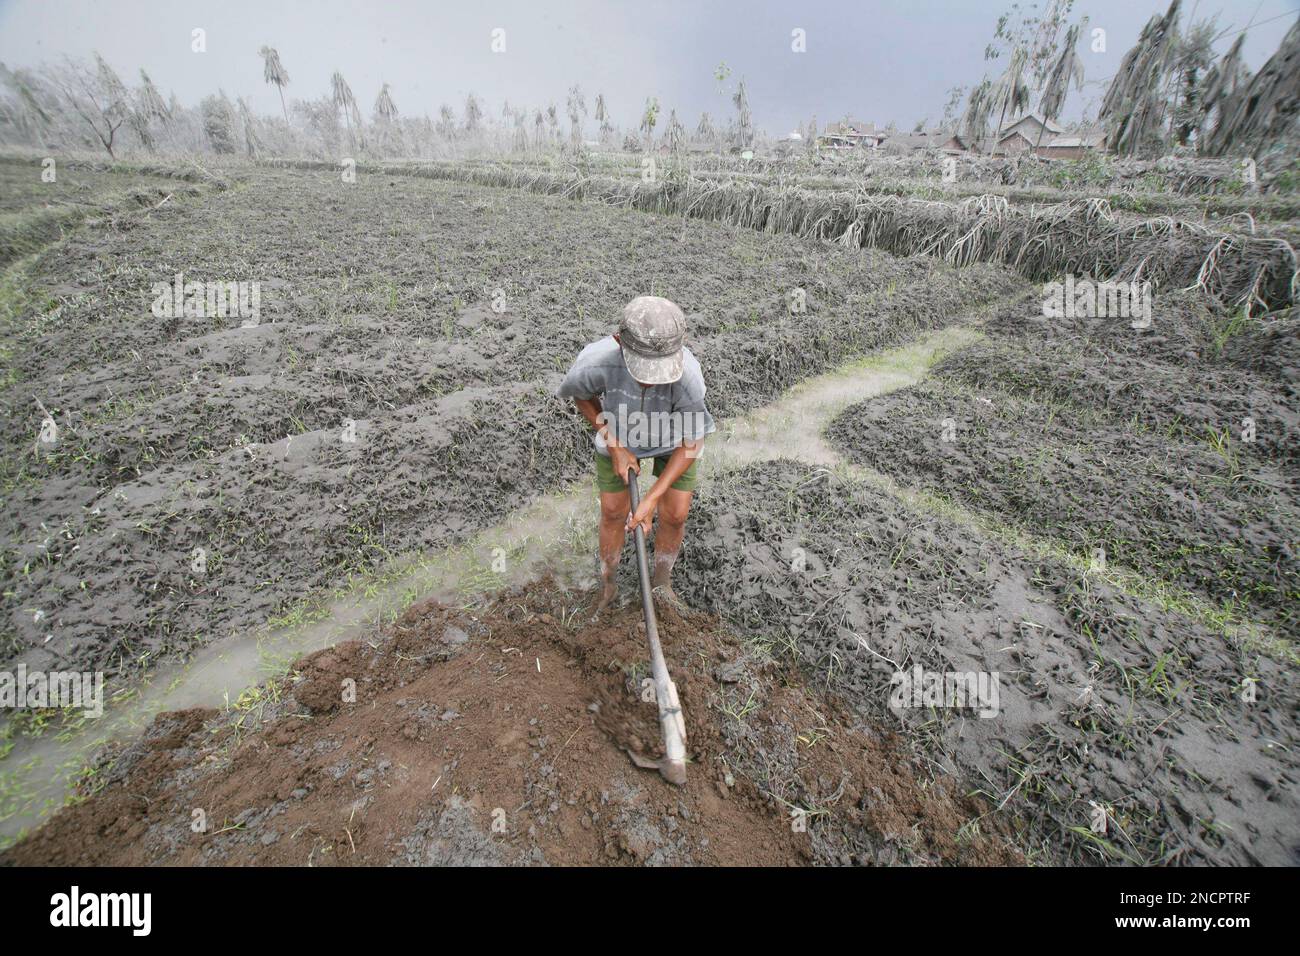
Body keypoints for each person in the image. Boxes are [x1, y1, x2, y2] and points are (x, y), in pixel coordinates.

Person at [558, 296, 715, 613]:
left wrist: (651, 499)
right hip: (618, 430)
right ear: (618, 342)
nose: (649, 380)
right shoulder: (596, 361)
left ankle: (662, 582)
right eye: (643, 370)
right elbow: (580, 395)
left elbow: (691, 441)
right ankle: (608, 584)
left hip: (674, 440)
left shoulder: (688, 377)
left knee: (676, 513)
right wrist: (614, 443)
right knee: (614, 512)